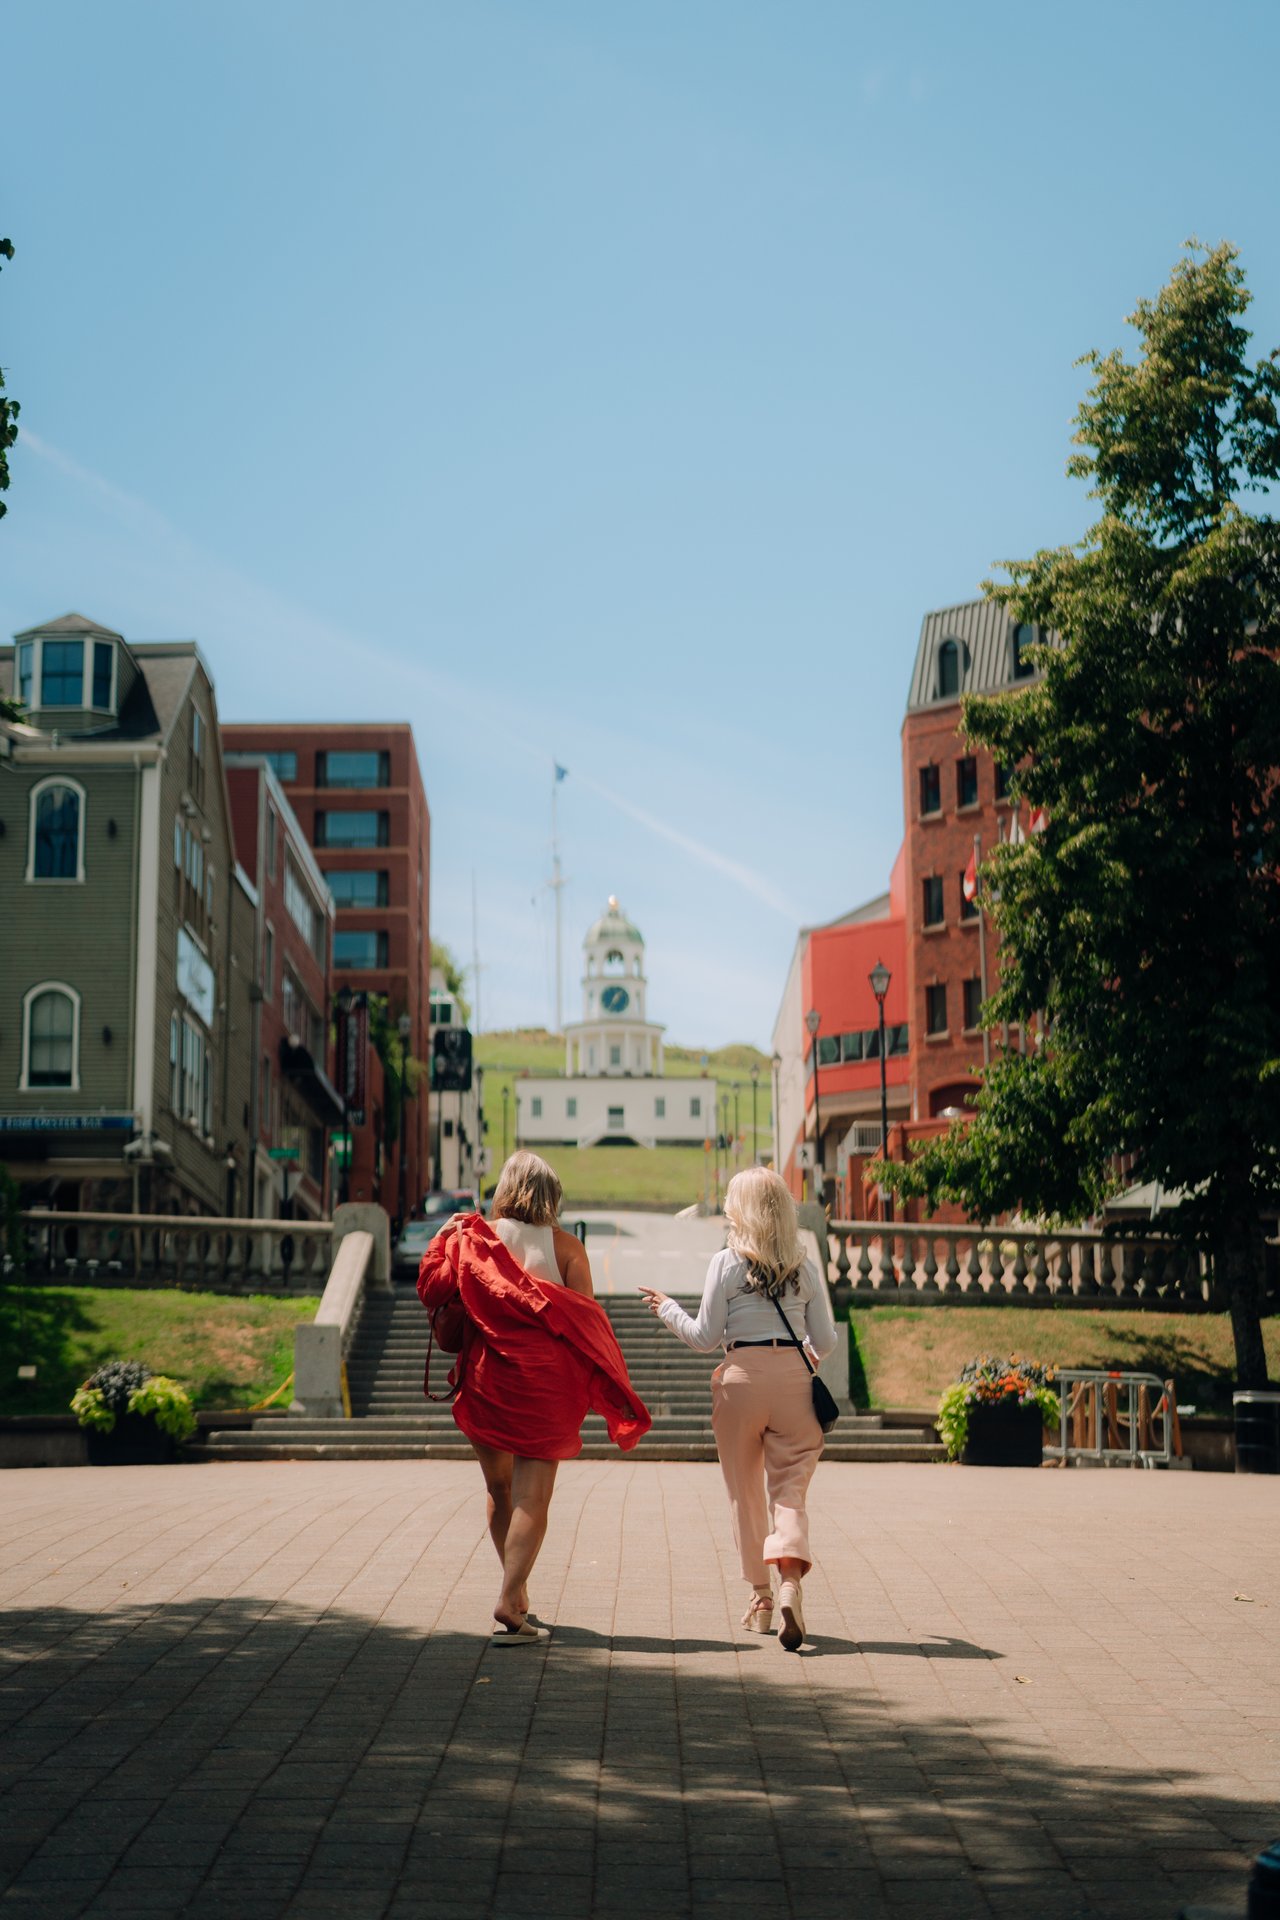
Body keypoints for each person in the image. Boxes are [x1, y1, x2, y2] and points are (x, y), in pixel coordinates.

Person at [418, 1150, 650, 1645]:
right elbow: (585, 1321)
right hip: (546, 1384)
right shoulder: (567, 1248)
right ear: (552, 1196)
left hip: (488, 1378)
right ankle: (510, 1597)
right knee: (533, 1496)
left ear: (505, 1189)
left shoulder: (474, 1239)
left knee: (499, 1491)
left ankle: (517, 1594)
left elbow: (437, 1285)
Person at [639, 1167, 836, 1652]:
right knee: (789, 1488)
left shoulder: (726, 1263)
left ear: (739, 1209)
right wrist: (796, 1361)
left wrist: (667, 1308)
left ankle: (762, 1600)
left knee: (744, 1493)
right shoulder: (804, 1267)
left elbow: (706, 1338)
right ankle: (790, 1582)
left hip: (740, 1380)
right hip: (793, 1379)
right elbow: (826, 1341)